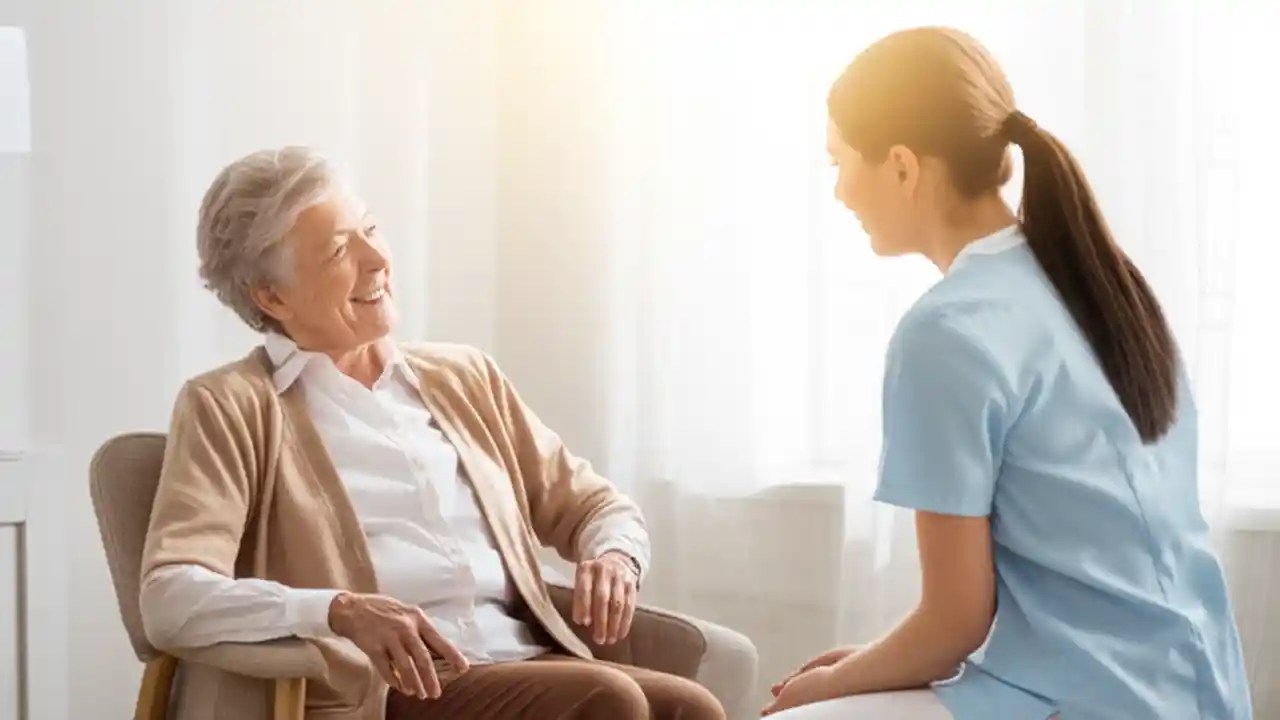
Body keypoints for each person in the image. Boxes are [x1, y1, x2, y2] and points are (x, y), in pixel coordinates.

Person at [763, 27, 1251, 720]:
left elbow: (954, 622)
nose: (839, 191)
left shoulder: (945, 330)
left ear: (902, 166)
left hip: (1083, 698)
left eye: (839, 160)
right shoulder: (1103, 284)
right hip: (1199, 692)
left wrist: (826, 687)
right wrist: (874, 664)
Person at [139, 147, 725, 720]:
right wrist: (338, 611)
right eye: (341, 250)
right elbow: (170, 596)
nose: (376, 261)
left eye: (371, 229)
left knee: (690, 707)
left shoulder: (463, 377)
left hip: (524, 660)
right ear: (272, 295)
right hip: (396, 688)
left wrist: (615, 555)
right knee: (607, 700)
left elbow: (597, 505)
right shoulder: (230, 406)